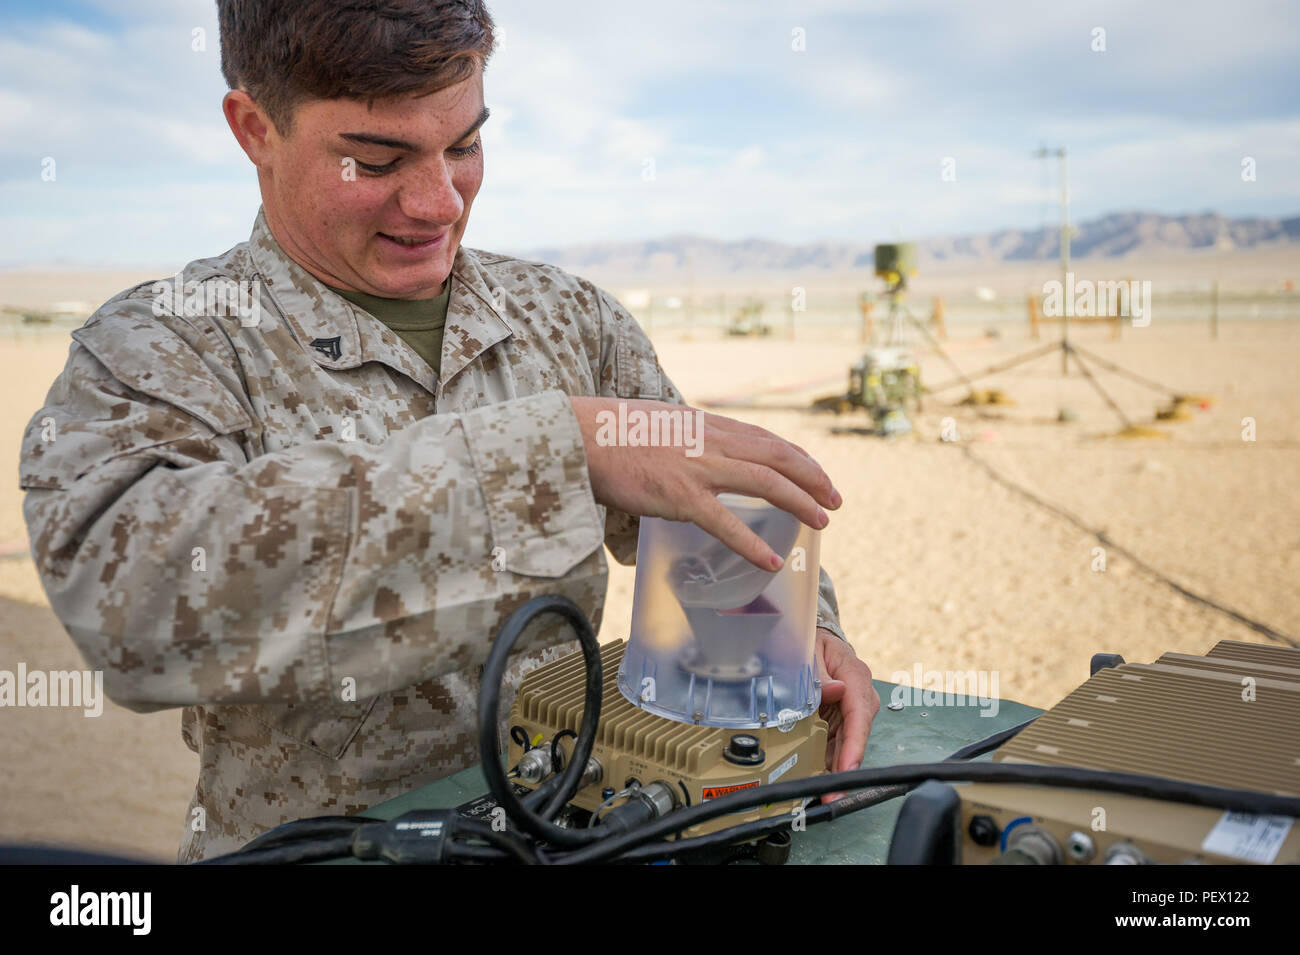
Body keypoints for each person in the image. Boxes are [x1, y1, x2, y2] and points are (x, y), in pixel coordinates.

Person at [18, 0, 880, 862]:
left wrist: (801, 629)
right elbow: (130, 606)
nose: (438, 202)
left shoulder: (567, 318)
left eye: (464, 146)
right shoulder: (167, 343)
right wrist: (553, 454)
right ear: (255, 129)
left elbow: (710, 512)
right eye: (375, 158)